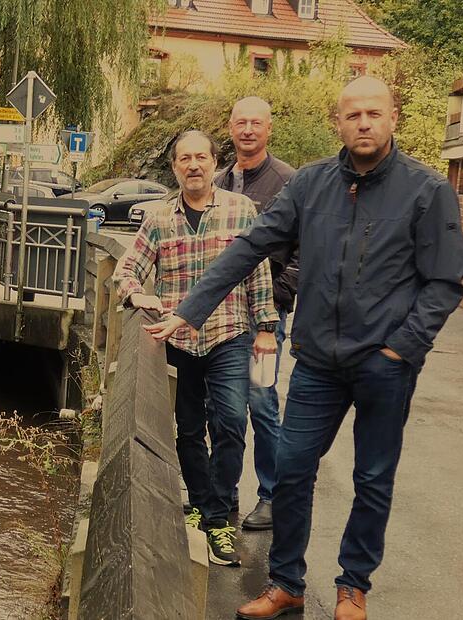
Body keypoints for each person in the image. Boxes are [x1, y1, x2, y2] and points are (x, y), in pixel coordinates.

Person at [145, 77, 463, 620]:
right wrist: (189, 309)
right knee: (292, 469)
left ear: (394, 119)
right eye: (352, 115)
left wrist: (403, 348)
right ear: (337, 123)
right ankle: (287, 582)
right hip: (318, 360)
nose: (363, 123)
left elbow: (444, 281)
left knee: (372, 476)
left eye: (373, 113)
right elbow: (250, 247)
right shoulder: (312, 184)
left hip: (384, 363)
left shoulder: (426, 190)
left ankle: (352, 586)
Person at [112, 130, 278, 567]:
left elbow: (258, 270)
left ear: (213, 161)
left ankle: (218, 514)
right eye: (184, 159)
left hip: (229, 331)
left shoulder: (241, 210)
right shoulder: (160, 217)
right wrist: (136, 294)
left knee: (230, 424)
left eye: (201, 157)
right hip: (179, 338)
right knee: (187, 430)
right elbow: (127, 267)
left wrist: (266, 327)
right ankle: (206, 508)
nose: (194, 166)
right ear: (175, 167)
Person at [214, 96, 298, 532]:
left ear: (269, 128)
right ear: (231, 128)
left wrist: (278, 297)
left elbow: (305, 249)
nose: (248, 130)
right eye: (240, 122)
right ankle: (224, 489)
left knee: (262, 401)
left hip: (267, 318)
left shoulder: (289, 181)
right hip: (224, 315)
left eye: (256, 123)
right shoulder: (219, 180)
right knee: (224, 404)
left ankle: (270, 495)